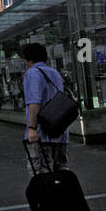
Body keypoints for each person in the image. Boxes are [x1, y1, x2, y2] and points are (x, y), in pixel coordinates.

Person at [22, 41, 69, 173]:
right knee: (61, 173)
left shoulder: (33, 73)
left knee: (41, 175)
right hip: (60, 132)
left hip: (41, 134)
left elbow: (34, 102)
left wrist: (32, 128)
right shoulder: (55, 73)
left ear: (29, 60)